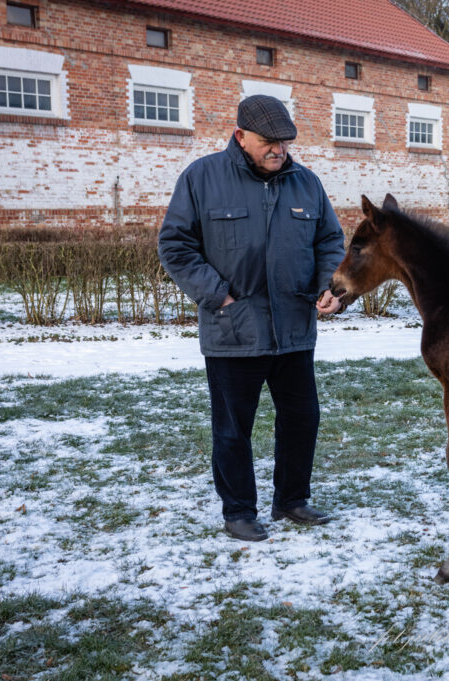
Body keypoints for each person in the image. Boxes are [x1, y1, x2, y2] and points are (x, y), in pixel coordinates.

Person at [158, 94, 345, 542]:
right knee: (232, 429)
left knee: (302, 419)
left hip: (295, 330)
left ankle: (291, 501)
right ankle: (239, 511)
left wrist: (328, 288)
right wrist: (218, 295)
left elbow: (329, 242)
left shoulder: (307, 183)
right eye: (268, 142)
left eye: (284, 142)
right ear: (241, 136)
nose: (279, 150)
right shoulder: (202, 177)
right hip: (233, 330)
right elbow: (175, 245)